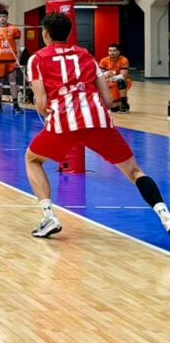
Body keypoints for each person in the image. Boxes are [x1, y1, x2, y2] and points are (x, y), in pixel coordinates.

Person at [24, 13, 170, 238]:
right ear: (69, 33)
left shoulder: (37, 58)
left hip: (63, 123)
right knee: (134, 171)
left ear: (45, 34)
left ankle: (48, 217)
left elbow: (42, 106)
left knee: (32, 160)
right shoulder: (87, 56)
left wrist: (42, 105)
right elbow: (109, 101)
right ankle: (165, 216)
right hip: (97, 121)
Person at [0, 11, 23, 113]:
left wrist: (18, 59)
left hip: (11, 60)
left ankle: (15, 105)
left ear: (7, 17)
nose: (2, 18)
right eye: (0, 16)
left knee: (13, 81)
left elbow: (17, 45)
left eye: (4, 16)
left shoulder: (14, 29)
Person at [98, 43, 132, 113]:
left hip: (124, 81)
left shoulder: (123, 60)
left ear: (119, 52)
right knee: (114, 109)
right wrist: (107, 74)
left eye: (114, 51)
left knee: (120, 80)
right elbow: (100, 75)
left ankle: (124, 103)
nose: (112, 53)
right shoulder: (104, 60)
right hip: (110, 82)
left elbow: (123, 75)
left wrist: (110, 77)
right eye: (110, 51)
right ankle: (117, 103)